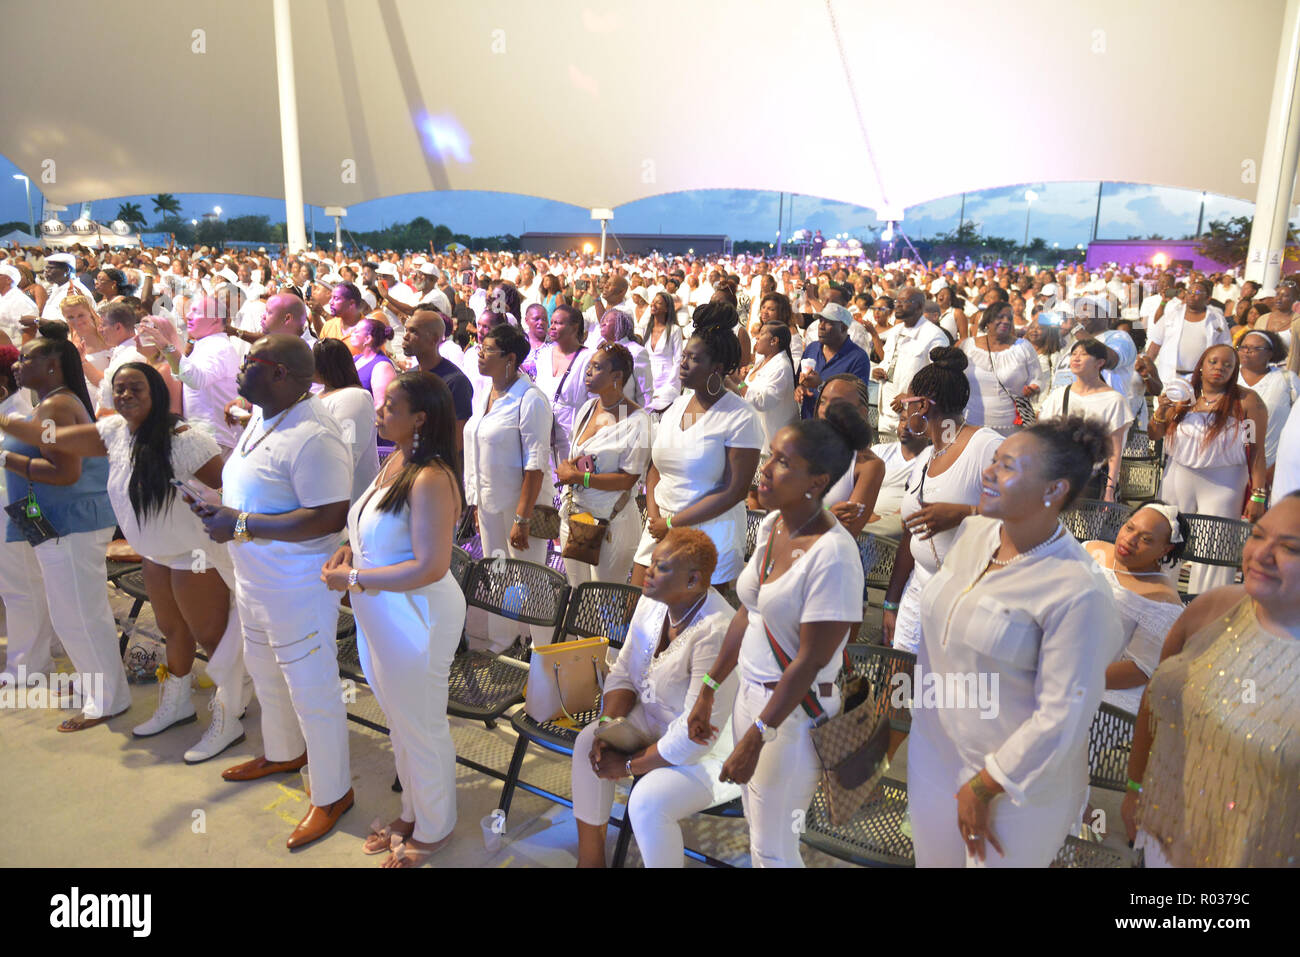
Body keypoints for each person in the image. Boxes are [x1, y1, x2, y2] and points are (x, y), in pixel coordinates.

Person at [0, 360, 250, 759]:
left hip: (194, 554)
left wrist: (236, 527)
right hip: (155, 551)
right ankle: (178, 703)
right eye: (119, 389)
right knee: (173, 630)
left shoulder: (184, 439)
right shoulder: (116, 431)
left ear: (156, 393)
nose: (126, 395)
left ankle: (229, 714)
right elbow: (53, 436)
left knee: (211, 637)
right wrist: (6, 421)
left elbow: (234, 486)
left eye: (136, 388)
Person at [909, 417, 1123, 867]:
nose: (988, 473)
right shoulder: (974, 534)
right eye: (993, 461)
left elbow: (1063, 715)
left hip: (1017, 784)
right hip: (934, 750)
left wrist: (987, 784)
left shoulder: (1077, 589)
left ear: (1054, 491)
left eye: (1006, 466)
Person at [686, 405, 870, 867]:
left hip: (791, 720)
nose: (764, 471)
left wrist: (757, 736)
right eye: (770, 456)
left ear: (817, 481)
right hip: (752, 698)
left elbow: (809, 663)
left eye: (783, 462)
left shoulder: (834, 555)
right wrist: (710, 688)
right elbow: (748, 615)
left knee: (773, 847)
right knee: (759, 832)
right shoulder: (772, 525)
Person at [193, 334, 355, 850]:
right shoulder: (265, 414)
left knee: (313, 691)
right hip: (255, 577)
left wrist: (238, 523)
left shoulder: (316, 435)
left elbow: (327, 516)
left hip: (296, 584)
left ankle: (333, 793)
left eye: (249, 363)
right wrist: (223, 513)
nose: (239, 371)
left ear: (281, 373)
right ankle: (285, 752)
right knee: (265, 674)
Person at [322, 372, 466, 868]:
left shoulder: (431, 477)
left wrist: (356, 577)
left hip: (416, 614)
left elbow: (431, 565)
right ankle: (413, 810)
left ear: (420, 419)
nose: (379, 411)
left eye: (390, 405)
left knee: (421, 725)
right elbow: (376, 529)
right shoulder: (399, 461)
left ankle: (435, 826)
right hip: (380, 611)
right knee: (401, 724)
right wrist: (350, 549)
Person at [1123, 492, 1300, 867]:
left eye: (1290, 548)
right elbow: (1154, 699)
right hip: (1163, 830)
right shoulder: (1213, 606)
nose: (1261, 554)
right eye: (1258, 535)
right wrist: (1135, 786)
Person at [571, 529, 741, 867]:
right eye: (652, 563)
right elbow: (621, 673)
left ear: (693, 580)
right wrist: (609, 727)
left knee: (648, 800)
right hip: (652, 724)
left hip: (712, 753)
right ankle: (590, 862)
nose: (649, 571)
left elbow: (694, 740)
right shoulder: (651, 602)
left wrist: (630, 764)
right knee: (587, 743)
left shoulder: (716, 631)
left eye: (661, 567)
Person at [1, 328, 129, 730]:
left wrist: (7, 458)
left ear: (52, 365)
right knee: (68, 609)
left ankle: (108, 699)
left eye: (27, 359)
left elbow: (65, 472)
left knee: (79, 612)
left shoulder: (55, 407)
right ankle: (93, 680)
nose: (18, 366)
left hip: (70, 520)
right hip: (53, 520)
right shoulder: (53, 402)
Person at [883, 347, 1005, 653]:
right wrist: (891, 601)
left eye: (906, 403)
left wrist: (968, 513)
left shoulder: (986, 446)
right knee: (900, 684)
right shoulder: (926, 456)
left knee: (950, 694)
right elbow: (911, 532)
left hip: (970, 597)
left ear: (922, 405)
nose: (903, 411)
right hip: (919, 590)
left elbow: (1030, 511)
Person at [632, 303, 762, 590]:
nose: (683, 363)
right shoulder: (679, 406)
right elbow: (656, 468)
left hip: (708, 534)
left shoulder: (740, 417)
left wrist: (673, 523)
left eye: (694, 358)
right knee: (640, 614)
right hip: (658, 528)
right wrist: (655, 517)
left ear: (716, 368)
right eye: (684, 356)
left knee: (691, 627)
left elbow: (735, 490)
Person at [462, 321, 556, 652]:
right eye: (480, 348)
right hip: (488, 503)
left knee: (528, 579)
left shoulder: (530, 399)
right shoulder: (487, 391)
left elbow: (536, 464)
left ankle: (542, 648)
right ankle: (502, 642)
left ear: (510, 358)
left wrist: (523, 518)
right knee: (498, 574)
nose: (480, 355)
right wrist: (475, 503)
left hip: (519, 507)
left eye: (487, 350)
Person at [1150, 343, 1269, 593]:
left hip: (1224, 482)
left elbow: (1257, 452)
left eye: (1228, 365)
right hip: (1178, 474)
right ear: (1201, 365)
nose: (1220, 368)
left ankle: (1204, 612)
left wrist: (1258, 494)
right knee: (1167, 539)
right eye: (1213, 362)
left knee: (1215, 550)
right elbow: (1155, 434)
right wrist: (1162, 410)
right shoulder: (1183, 394)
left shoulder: (1247, 400)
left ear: (1235, 370)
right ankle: (1159, 600)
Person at [555, 342, 651, 588]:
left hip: (612, 523)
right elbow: (579, 455)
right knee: (576, 593)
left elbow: (628, 479)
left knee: (603, 602)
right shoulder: (588, 408)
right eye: (588, 366)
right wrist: (571, 467)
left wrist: (578, 478)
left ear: (617, 376)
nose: (588, 372)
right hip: (577, 516)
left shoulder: (637, 421)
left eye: (596, 368)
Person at [1080, 503, 1186, 715]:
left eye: (1146, 539)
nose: (1130, 540)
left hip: (1105, 690)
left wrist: (1072, 676)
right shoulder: (1092, 550)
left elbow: (1138, 670)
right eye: (1129, 528)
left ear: (1165, 549)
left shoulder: (1163, 601)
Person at [0, 344, 55, 687]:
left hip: (17, 508)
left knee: (23, 587)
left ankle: (27, 665)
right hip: (15, 507)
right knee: (24, 585)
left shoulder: (17, 418)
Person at [144, 296, 242, 457]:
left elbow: (197, 380)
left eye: (196, 312)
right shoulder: (207, 345)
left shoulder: (218, 347)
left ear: (215, 320)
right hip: (206, 438)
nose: (188, 315)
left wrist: (167, 347)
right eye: (189, 311)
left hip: (215, 440)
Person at [1037, 340, 1133, 502]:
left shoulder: (1114, 400)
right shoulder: (1060, 395)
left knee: (1087, 527)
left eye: (1083, 354)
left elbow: (1114, 451)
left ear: (1100, 362)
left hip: (1092, 481)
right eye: (1073, 354)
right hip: (1058, 476)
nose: (1076, 358)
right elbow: (1044, 439)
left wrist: (1110, 490)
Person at [813, 374, 886, 538]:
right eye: (823, 401)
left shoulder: (869, 465)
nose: (826, 410)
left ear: (862, 412)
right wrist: (826, 514)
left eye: (838, 404)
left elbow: (847, 531)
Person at [312, 339, 381, 502]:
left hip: (347, 497)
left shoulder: (354, 397)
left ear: (323, 365)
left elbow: (348, 448)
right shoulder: (318, 395)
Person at [873, 288, 948, 433]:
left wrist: (912, 396)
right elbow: (888, 362)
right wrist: (877, 371)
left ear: (919, 306)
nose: (898, 305)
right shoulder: (896, 330)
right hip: (885, 412)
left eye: (904, 302)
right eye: (897, 301)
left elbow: (942, 379)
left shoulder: (934, 336)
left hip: (911, 415)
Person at [401, 306, 472, 449]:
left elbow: (458, 442)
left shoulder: (455, 382)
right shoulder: (408, 377)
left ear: (434, 339)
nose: (405, 336)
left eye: (414, 331)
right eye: (406, 330)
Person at [960, 302, 1042, 427]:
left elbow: (1037, 379)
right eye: (1000, 317)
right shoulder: (967, 346)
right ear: (987, 321)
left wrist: (1032, 388)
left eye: (1009, 318)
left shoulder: (1023, 347)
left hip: (1012, 424)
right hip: (972, 423)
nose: (1006, 321)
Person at [1143, 278, 1232, 388]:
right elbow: (1155, 346)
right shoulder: (1172, 314)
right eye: (1189, 292)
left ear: (1208, 298)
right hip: (1169, 378)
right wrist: (1145, 370)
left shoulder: (1217, 320)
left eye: (1197, 293)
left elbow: (1226, 349)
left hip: (1201, 380)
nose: (1191, 295)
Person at [533, 304, 592, 469]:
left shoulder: (588, 359)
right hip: (544, 436)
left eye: (558, 323)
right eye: (551, 322)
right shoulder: (543, 355)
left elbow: (595, 404)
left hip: (573, 440)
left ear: (574, 328)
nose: (551, 327)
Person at [1237, 329, 1299, 484]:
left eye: (1256, 348)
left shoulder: (1287, 379)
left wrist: (1277, 466)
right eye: (1243, 347)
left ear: (1270, 354)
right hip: (1230, 466)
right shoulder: (1229, 377)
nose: (1247, 351)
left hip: (1274, 465)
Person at [734, 320, 798, 460]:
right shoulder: (762, 361)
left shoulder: (781, 367)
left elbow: (763, 401)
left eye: (762, 334)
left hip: (772, 445)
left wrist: (738, 382)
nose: (756, 337)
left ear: (774, 341)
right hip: (754, 437)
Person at [796, 302, 871, 419]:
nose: (821, 326)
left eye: (828, 322)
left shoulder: (858, 358)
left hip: (836, 428)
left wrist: (820, 385)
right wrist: (800, 388)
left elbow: (855, 400)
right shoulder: (812, 348)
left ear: (843, 327)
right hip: (808, 424)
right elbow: (799, 381)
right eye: (820, 321)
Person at [596, 308, 653, 408]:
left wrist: (644, 417)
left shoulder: (636, 352)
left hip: (625, 410)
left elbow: (645, 391)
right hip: (603, 412)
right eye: (602, 321)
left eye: (607, 321)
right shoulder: (601, 350)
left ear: (620, 325)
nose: (602, 324)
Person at [643, 292, 685, 413]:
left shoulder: (674, 330)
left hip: (667, 379)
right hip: (649, 378)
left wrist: (670, 384)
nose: (653, 304)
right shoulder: (646, 328)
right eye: (653, 301)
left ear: (667, 308)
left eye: (658, 303)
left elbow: (678, 360)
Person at [350, 316, 398, 414]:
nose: (352, 334)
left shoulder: (382, 366)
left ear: (367, 339)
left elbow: (382, 406)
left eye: (356, 332)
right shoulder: (356, 358)